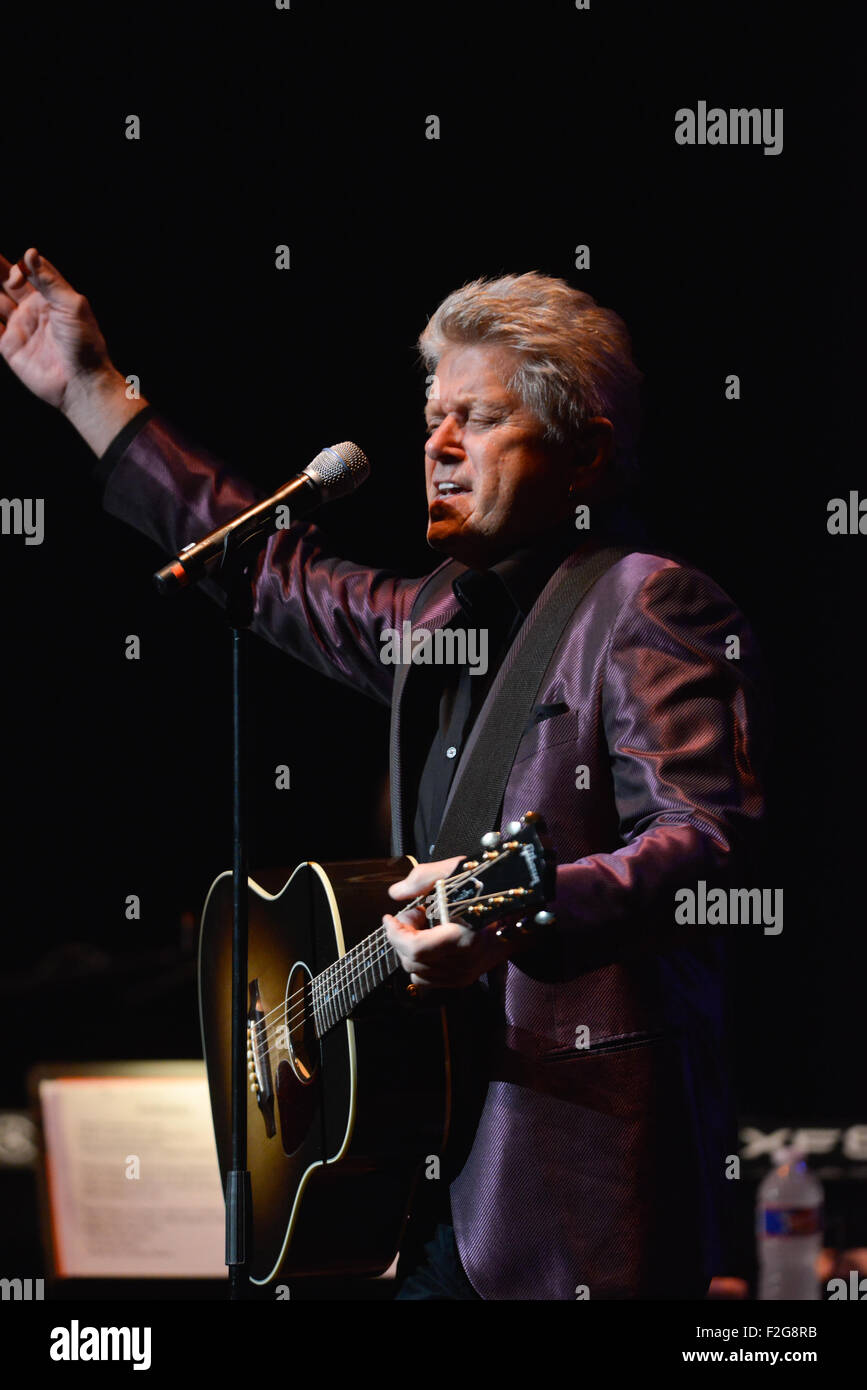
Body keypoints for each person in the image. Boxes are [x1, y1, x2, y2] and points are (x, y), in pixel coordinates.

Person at [0, 249, 766, 1299]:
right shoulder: (433, 620)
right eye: (430, 419)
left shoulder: (646, 602)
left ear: (587, 456)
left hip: (566, 1203)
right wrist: (93, 391)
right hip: (422, 1190)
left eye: (479, 419)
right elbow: (263, 566)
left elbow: (708, 850)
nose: (438, 447)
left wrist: (525, 905)